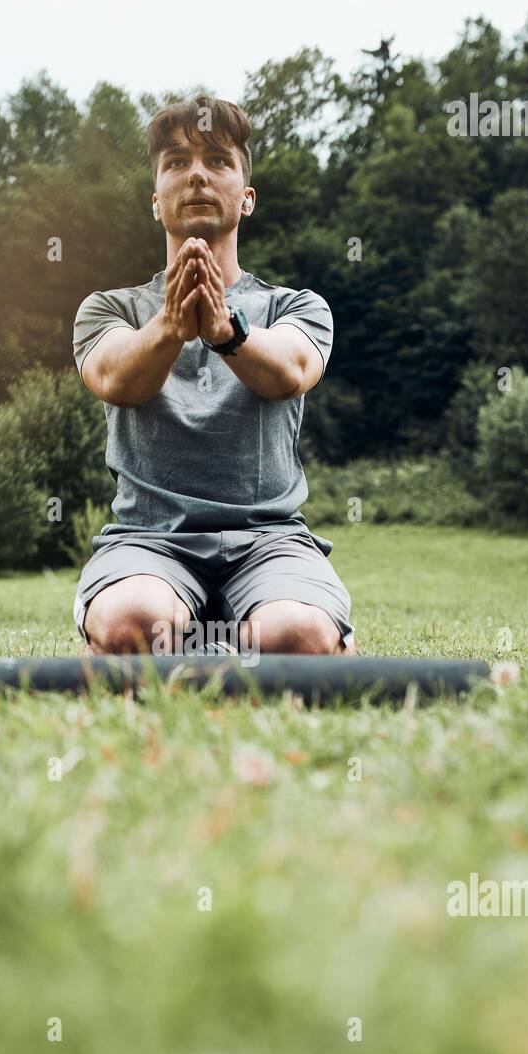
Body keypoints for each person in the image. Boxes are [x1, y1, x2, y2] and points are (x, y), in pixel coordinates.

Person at [71, 93, 356, 658]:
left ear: (246, 199)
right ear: (157, 202)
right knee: (133, 625)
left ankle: (251, 637)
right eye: (176, 162)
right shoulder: (109, 309)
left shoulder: (298, 306)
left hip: (271, 541)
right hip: (147, 542)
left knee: (295, 638)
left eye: (217, 161)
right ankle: (203, 643)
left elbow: (291, 370)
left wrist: (226, 331)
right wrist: (173, 326)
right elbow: (115, 379)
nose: (196, 174)